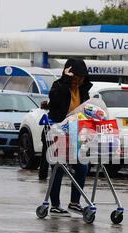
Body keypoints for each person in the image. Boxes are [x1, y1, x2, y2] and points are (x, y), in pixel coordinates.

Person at [45, 58, 92, 214]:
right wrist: (66, 83)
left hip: (75, 134)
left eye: (81, 78)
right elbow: (55, 100)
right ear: (69, 75)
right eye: (75, 78)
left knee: (82, 167)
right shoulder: (58, 87)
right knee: (58, 168)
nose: (78, 81)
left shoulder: (83, 91)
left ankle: (74, 202)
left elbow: (86, 109)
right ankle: (55, 205)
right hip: (57, 133)